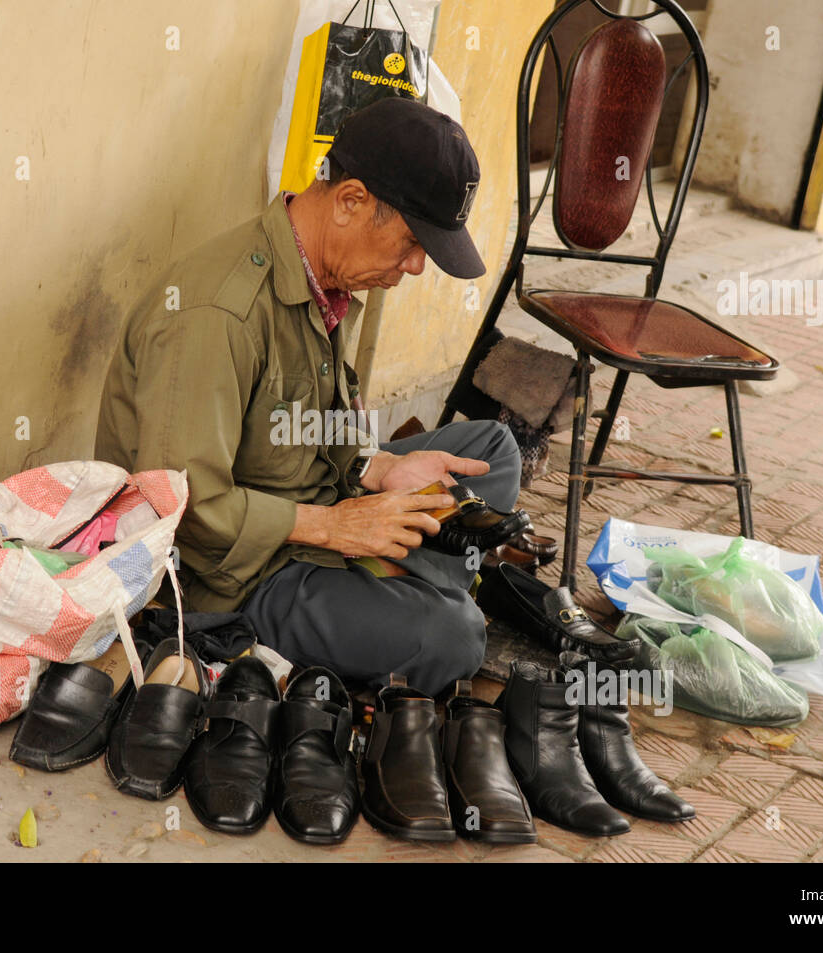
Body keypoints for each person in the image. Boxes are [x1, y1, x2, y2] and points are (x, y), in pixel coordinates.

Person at [95, 98, 521, 696]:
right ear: (351, 201)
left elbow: (305, 423)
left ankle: (396, 580)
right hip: (238, 576)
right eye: (411, 241)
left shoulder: (322, 274)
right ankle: (406, 588)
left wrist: (378, 468)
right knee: (454, 636)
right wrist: (335, 528)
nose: (418, 266)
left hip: (315, 506)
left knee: (495, 449)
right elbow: (181, 509)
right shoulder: (217, 314)